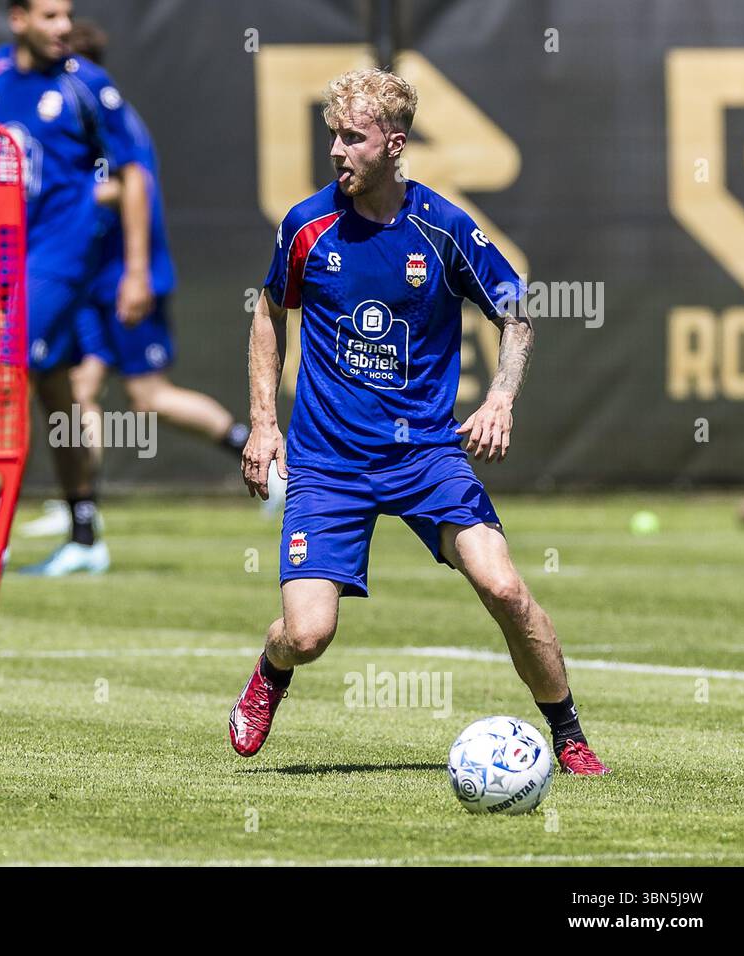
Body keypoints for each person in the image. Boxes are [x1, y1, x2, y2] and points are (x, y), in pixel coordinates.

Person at [229, 68, 610, 775]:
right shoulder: (306, 226)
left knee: (503, 587)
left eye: (353, 139)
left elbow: (516, 317)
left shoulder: (443, 228)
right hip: (328, 460)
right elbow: (265, 311)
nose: (337, 152)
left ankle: (568, 736)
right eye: (333, 137)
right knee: (309, 634)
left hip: (425, 455)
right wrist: (262, 422)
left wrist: (500, 399)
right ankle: (270, 669)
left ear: (394, 144)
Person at [18, 19, 263, 540]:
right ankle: (81, 507)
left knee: (149, 397)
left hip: (126, 278)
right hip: (84, 277)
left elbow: (131, 186)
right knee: (75, 387)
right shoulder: (68, 124)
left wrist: (130, 268)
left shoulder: (105, 118)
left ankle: (263, 457)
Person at [0, 0, 152, 576]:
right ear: (17, 19)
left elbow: (133, 177)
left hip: (64, 252)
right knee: (55, 389)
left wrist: (134, 270)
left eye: (66, 16)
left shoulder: (87, 87)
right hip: (8, 252)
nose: (62, 28)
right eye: (49, 16)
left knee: (10, 374)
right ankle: (85, 533)